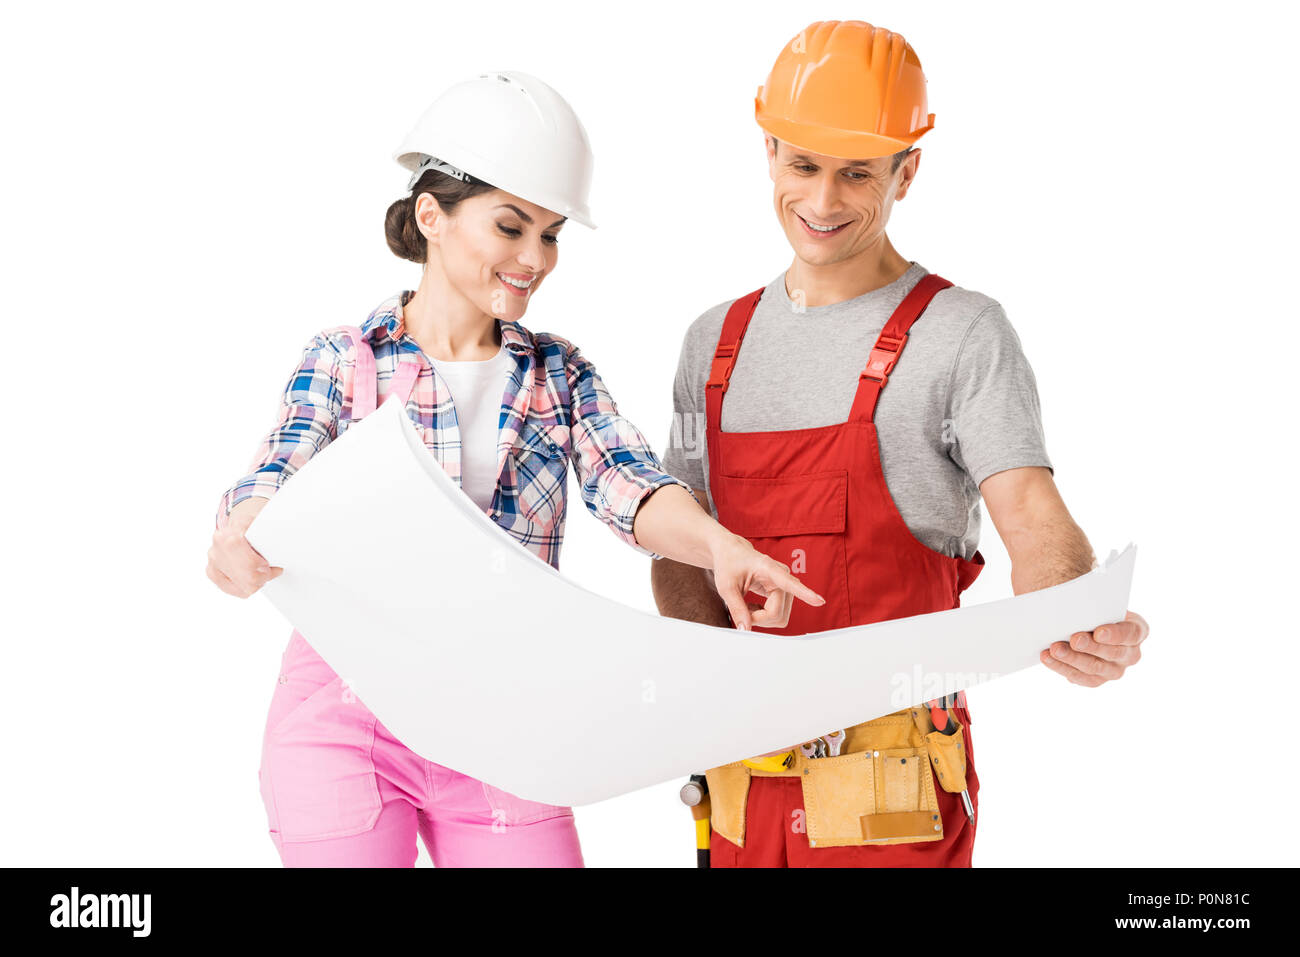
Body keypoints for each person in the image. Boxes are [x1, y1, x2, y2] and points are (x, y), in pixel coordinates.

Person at [205, 71, 822, 868]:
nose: (537, 258)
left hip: (505, 719)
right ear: (432, 216)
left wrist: (721, 548)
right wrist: (243, 530)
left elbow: (627, 484)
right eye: (510, 226)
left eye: (553, 233)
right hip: (344, 716)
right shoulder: (344, 359)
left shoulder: (558, 374)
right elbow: (272, 476)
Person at [652, 21, 1151, 868]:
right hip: (738, 786)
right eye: (802, 164)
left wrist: (1077, 614)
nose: (822, 200)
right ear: (768, 149)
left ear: (907, 170)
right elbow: (679, 542)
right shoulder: (714, 342)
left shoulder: (961, 334)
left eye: (858, 172)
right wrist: (701, 698)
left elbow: (1028, 511)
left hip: (887, 799)